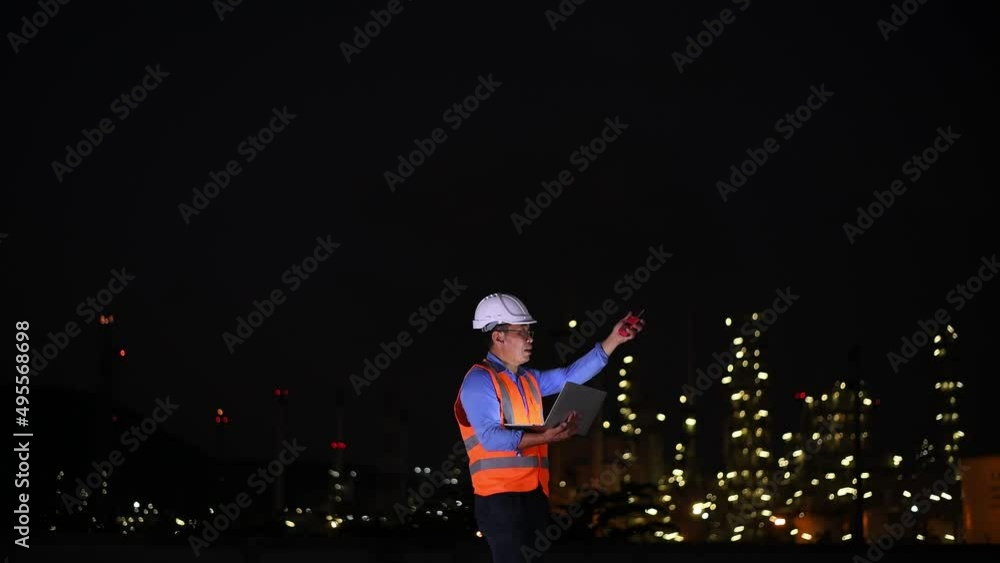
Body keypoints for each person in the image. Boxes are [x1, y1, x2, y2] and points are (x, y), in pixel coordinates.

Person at [454, 293, 644, 563]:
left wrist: (614, 339)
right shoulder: (479, 380)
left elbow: (570, 376)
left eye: (530, 332)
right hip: (499, 500)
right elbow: (490, 439)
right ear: (499, 337)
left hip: (534, 496)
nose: (531, 338)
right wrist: (546, 435)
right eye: (522, 332)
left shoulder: (529, 379)